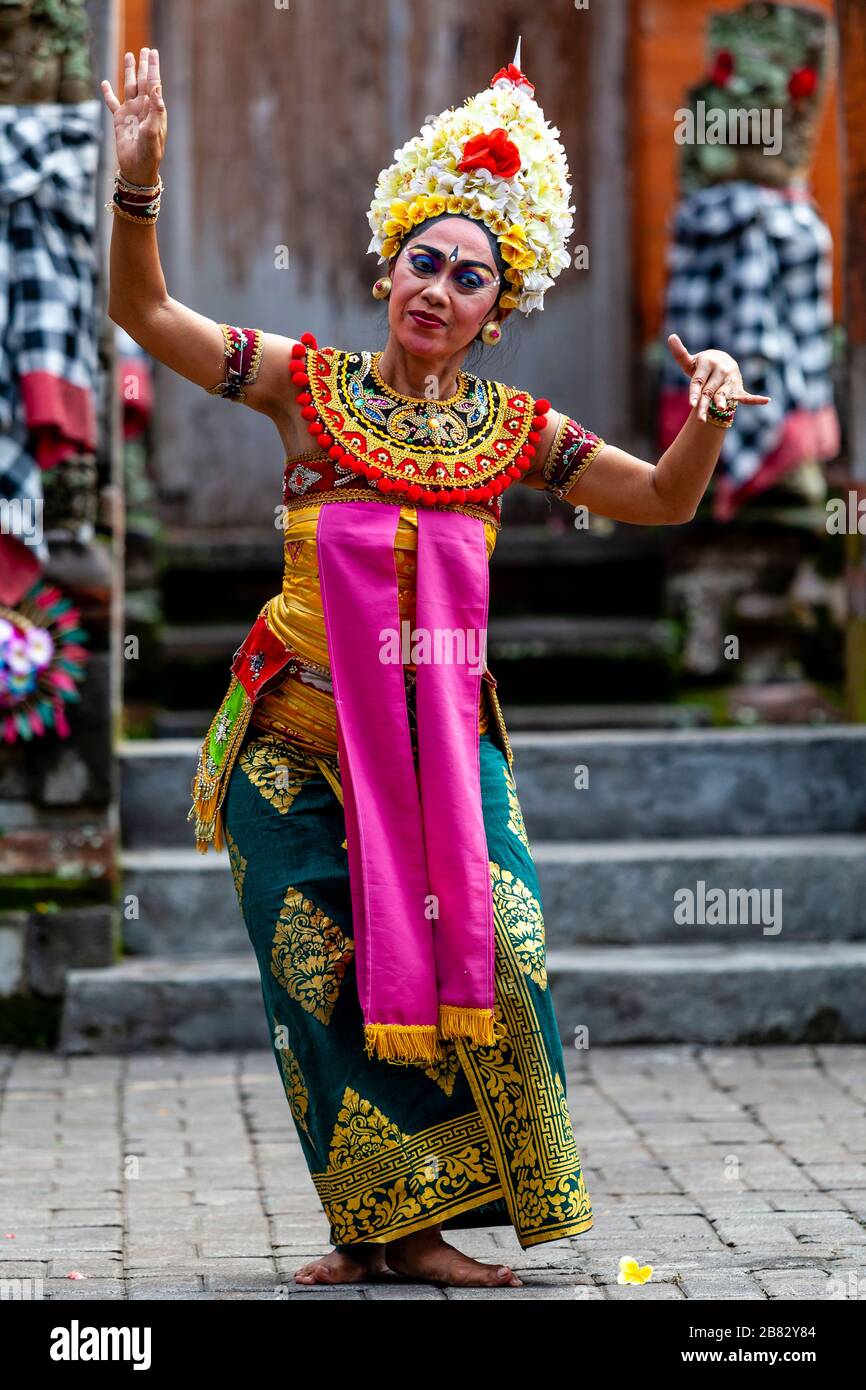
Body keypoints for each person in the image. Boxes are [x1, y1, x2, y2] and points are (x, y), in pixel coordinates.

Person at [101, 41, 769, 1289]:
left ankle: (451, 1207)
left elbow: (663, 503)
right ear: (384, 268)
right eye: (425, 261)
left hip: (442, 751)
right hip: (292, 742)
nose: (439, 288)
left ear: (491, 313)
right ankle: (388, 1233)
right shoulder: (304, 389)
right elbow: (145, 312)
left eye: (470, 278)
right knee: (320, 975)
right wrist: (139, 187)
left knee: (500, 945)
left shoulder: (517, 432)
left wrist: (710, 416)